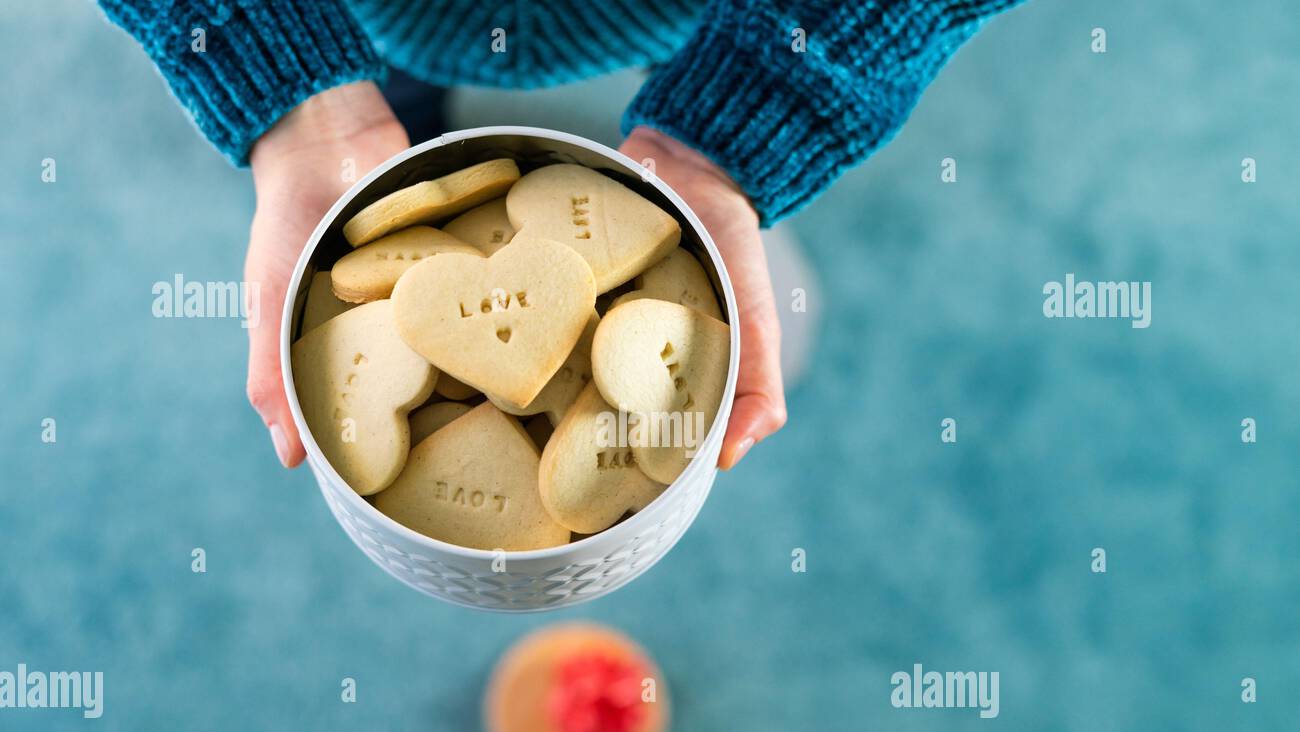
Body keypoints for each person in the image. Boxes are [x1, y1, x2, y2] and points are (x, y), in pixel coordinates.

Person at [98, 0, 1024, 470]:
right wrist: (294, 86)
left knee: (676, 89)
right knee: (403, 156)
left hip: (734, 16)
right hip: (339, 15)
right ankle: (414, 190)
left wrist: (744, 116)